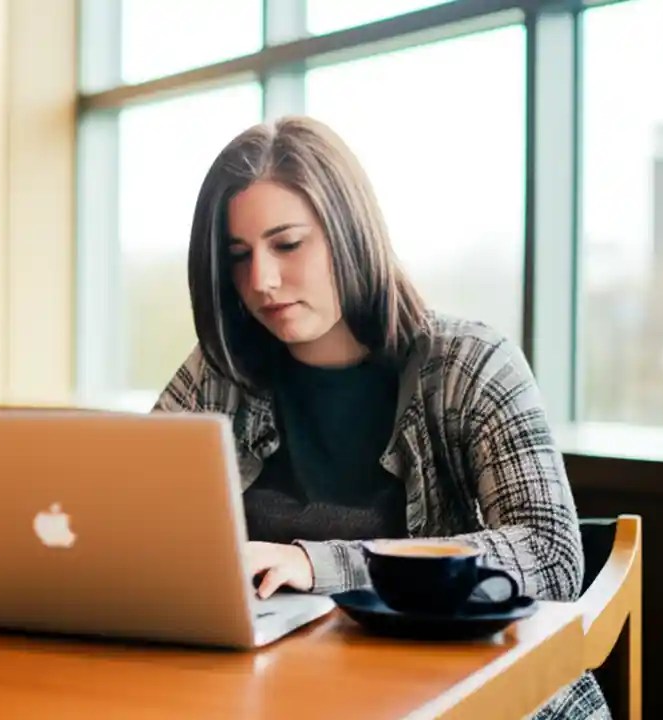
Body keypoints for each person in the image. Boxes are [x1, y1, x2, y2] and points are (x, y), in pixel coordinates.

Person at [153, 116, 608, 719]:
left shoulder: (469, 363)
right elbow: (137, 521)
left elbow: (550, 555)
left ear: (349, 233)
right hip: (277, 697)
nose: (261, 281)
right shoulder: (219, 373)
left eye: (288, 244)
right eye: (238, 257)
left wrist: (314, 564)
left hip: (455, 699)